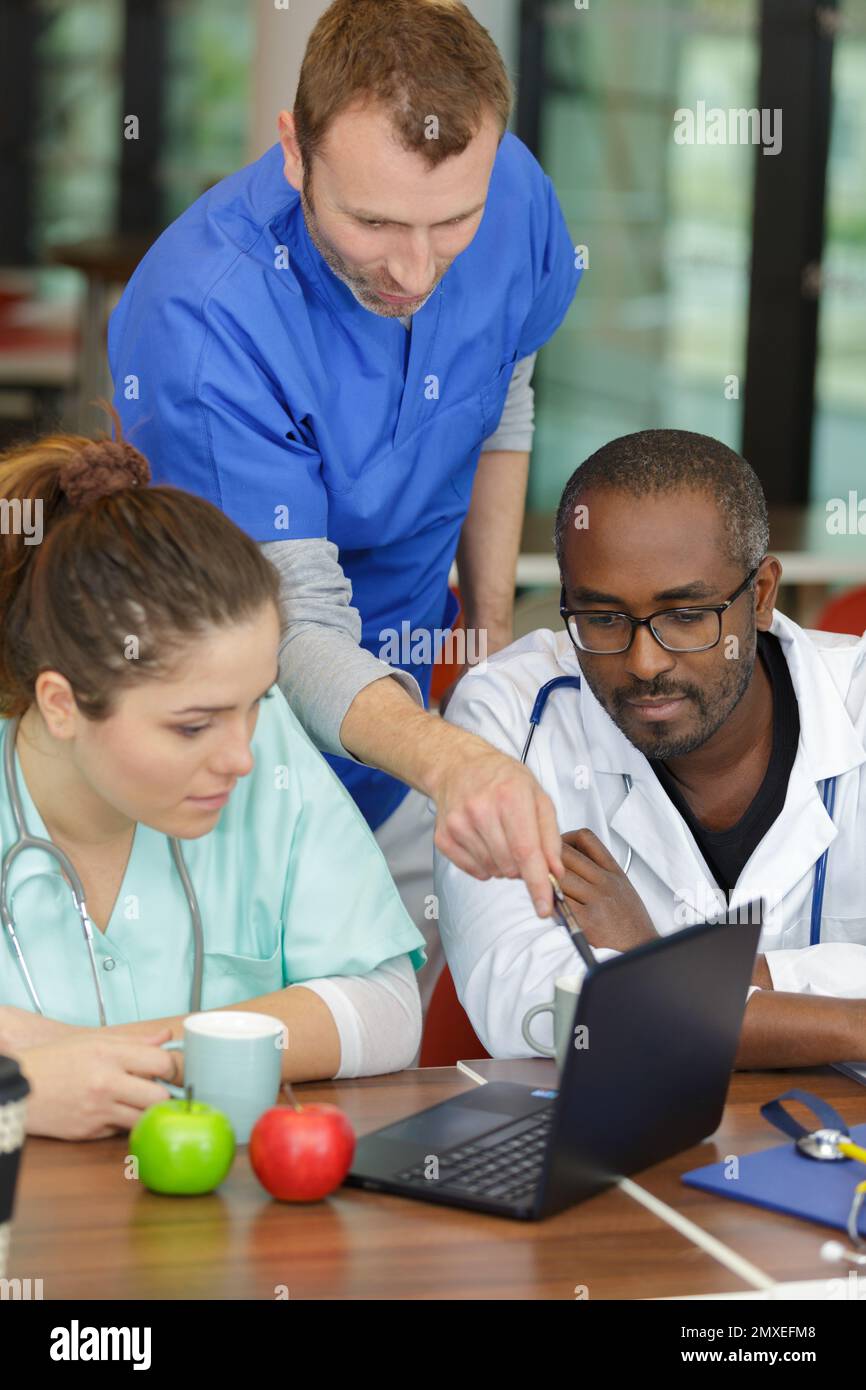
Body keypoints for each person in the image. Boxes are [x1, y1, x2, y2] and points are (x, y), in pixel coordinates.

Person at [107, 0, 582, 1006]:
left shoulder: (508, 190)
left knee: (394, 1058)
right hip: (231, 763)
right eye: (371, 222)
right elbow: (292, 633)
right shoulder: (204, 322)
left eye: (450, 223)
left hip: (408, 726)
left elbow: (503, 387)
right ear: (293, 150)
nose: (414, 269)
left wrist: (485, 637)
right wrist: (451, 759)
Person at [0, 420, 426, 1141]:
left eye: (257, 701)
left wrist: (102, 1056)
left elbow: (385, 1010)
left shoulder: (268, 754)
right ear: (61, 704)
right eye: (193, 726)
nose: (244, 758)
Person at [435, 429, 866, 1066]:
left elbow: (617, 1002)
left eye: (685, 615)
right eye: (603, 618)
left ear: (763, 595)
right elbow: (534, 1005)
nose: (644, 662)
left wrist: (652, 961)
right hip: (618, 1146)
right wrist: (852, 1027)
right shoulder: (505, 715)